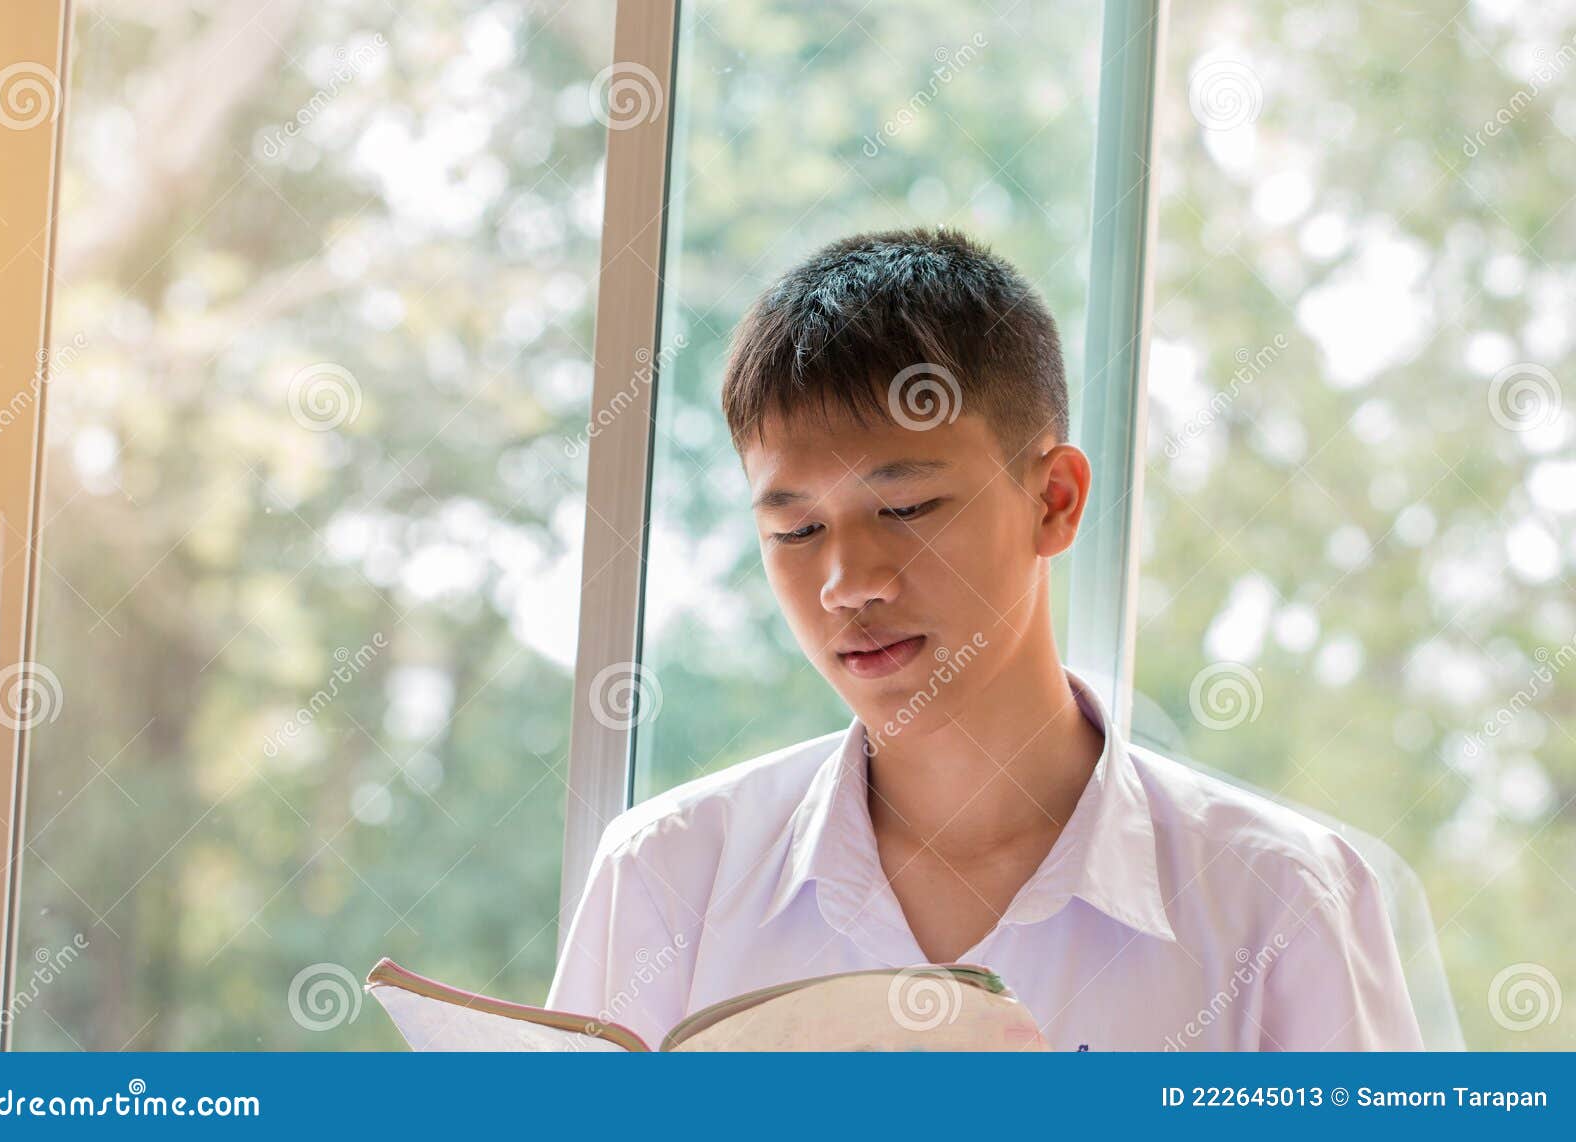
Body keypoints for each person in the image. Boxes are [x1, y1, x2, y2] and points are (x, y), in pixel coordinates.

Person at [546, 226, 1424, 1051]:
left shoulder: (1280, 899)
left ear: (1054, 501)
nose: (849, 583)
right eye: (796, 532)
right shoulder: (668, 876)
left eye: (906, 508)